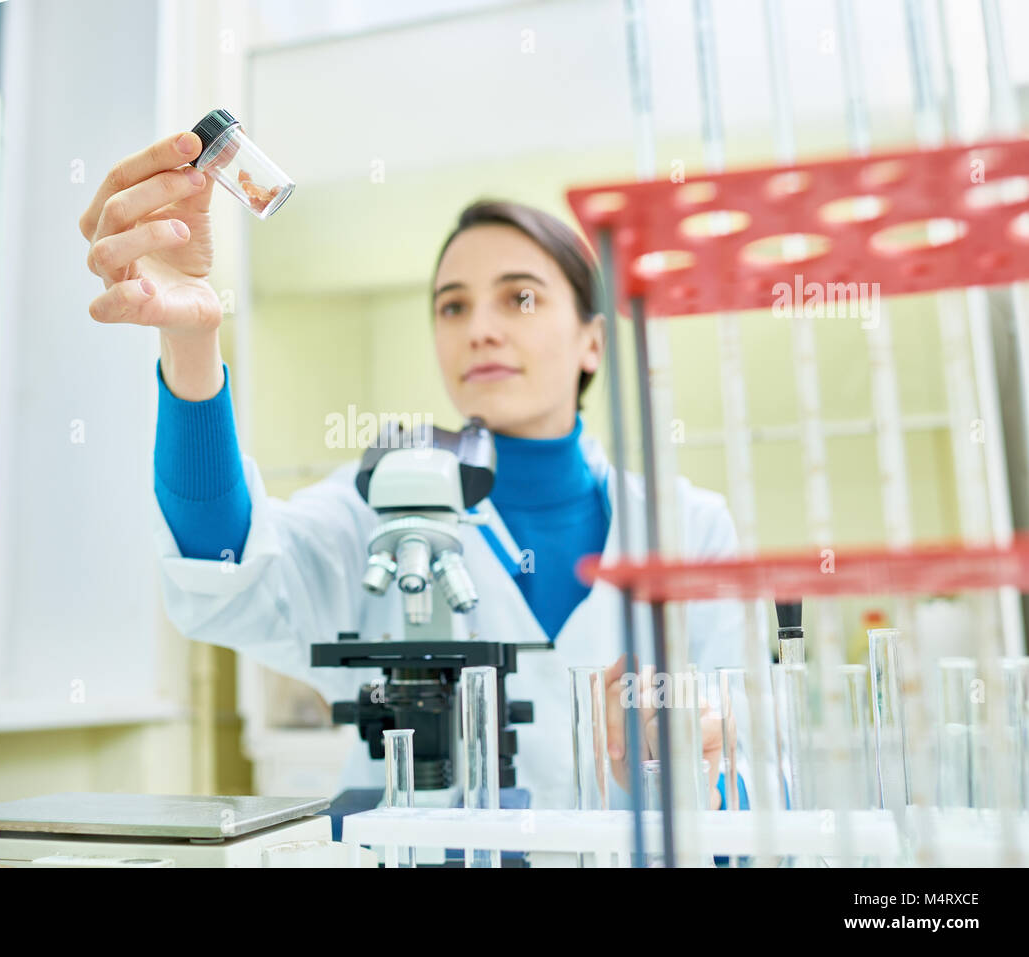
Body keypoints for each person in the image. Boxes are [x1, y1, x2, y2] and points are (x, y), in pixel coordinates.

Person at [79, 129, 747, 812]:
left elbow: (746, 787)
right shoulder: (384, 501)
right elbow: (227, 561)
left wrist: (671, 770)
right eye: (453, 305)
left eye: (519, 298)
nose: (479, 328)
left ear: (593, 342)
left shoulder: (689, 529)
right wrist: (190, 336)